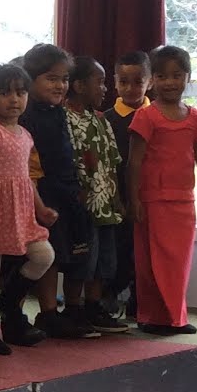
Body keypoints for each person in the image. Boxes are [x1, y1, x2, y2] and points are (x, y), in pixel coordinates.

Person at [128, 45, 197, 335]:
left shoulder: (196, 117)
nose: (170, 82)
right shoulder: (146, 117)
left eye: (177, 75)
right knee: (152, 261)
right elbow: (134, 162)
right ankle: (152, 316)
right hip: (153, 200)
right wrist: (133, 199)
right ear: (152, 80)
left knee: (178, 262)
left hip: (183, 202)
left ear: (187, 77)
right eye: (162, 76)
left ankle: (174, 317)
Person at [0, 64, 58, 353]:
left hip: (21, 213)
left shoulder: (25, 135)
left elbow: (26, 178)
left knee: (44, 255)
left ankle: (7, 301)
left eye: (20, 93)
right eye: (5, 93)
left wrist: (41, 209)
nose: (14, 99)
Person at [19, 43, 99, 341]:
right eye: (51, 79)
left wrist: (76, 187)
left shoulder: (57, 112)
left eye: (64, 79)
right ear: (31, 80)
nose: (60, 85)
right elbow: (28, 164)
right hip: (41, 194)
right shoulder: (27, 115)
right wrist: (39, 200)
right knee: (48, 254)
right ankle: (48, 312)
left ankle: (70, 309)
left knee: (73, 251)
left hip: (66, 191)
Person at [64, 58, 131, 333]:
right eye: (99, 82)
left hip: (105, 206)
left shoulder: (101, 120)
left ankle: (94, 306)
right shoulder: (65, 119)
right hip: (82, 205)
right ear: (79, 85)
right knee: (82, 260)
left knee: (105, 260)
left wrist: (117, 200)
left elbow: (112, 161)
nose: (105, 89)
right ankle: (73, 308)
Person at [104, 50, 150, 318]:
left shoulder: (156, 115)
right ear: (115, 82)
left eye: (137, 82)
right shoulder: (107, 119)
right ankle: (110, 293)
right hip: (117, 195)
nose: (130, 88)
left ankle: (139, 297)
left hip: (151, 193)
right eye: (123, 82)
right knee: (118, 247)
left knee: (144, 249)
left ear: (149, 82)